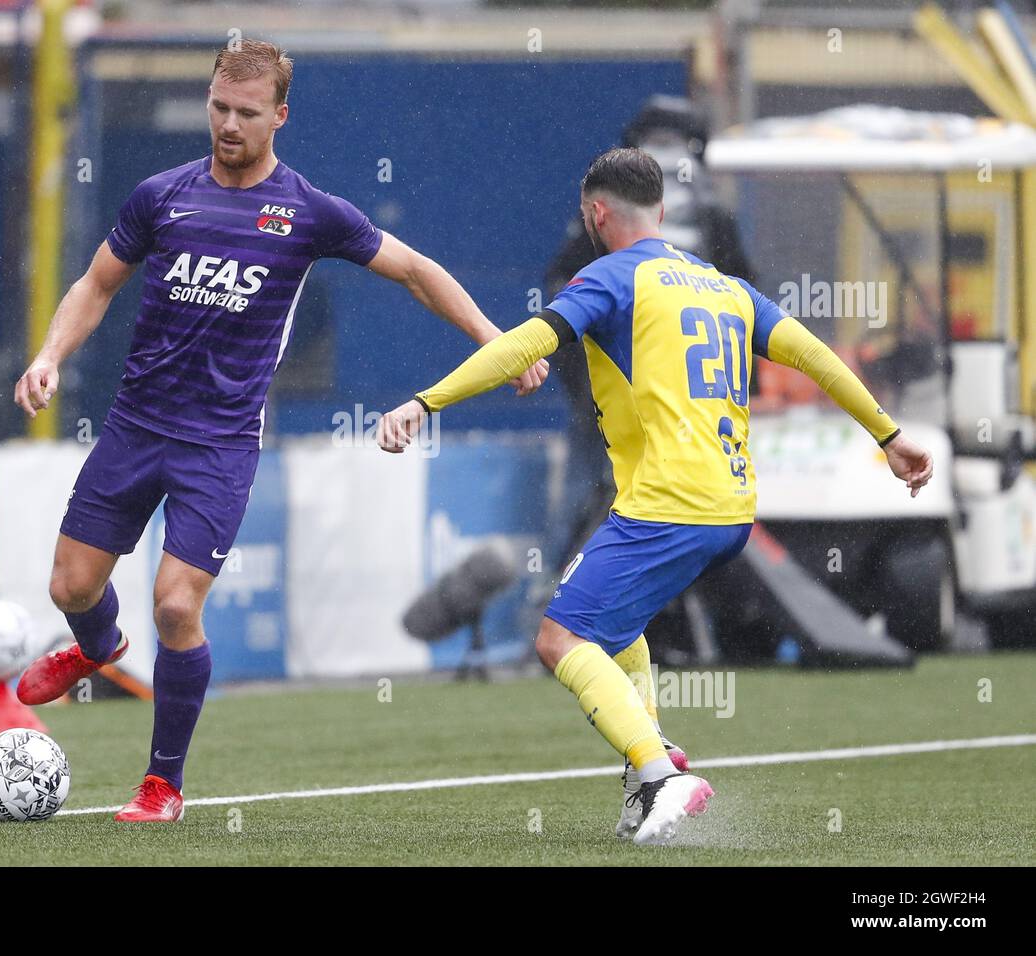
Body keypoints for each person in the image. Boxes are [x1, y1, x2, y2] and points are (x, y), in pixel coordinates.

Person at [12, 39, 547, 823]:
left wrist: (497, 342)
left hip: (220, 446)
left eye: (247, 113)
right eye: (219, 107)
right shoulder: (161, 196)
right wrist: (50, 355)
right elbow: (96, 283)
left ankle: (163, 786)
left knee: (173, 607)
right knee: (71, 587)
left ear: (280, 116)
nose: (228, 124)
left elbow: (417, 272)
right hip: (135, 427)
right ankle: (96, 647)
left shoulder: (309, 212)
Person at [375, 147, 933, 845]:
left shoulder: (608, 278)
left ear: (595, 213)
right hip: (729, 505)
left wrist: (424, 403)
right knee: (618, 620)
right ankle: (649, 775)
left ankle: (662, 775)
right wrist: (889, 435)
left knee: (560, 637)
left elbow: (524, 345)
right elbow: (815, 354)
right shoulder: (723, 286)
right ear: (662, 212)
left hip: (670, 504)